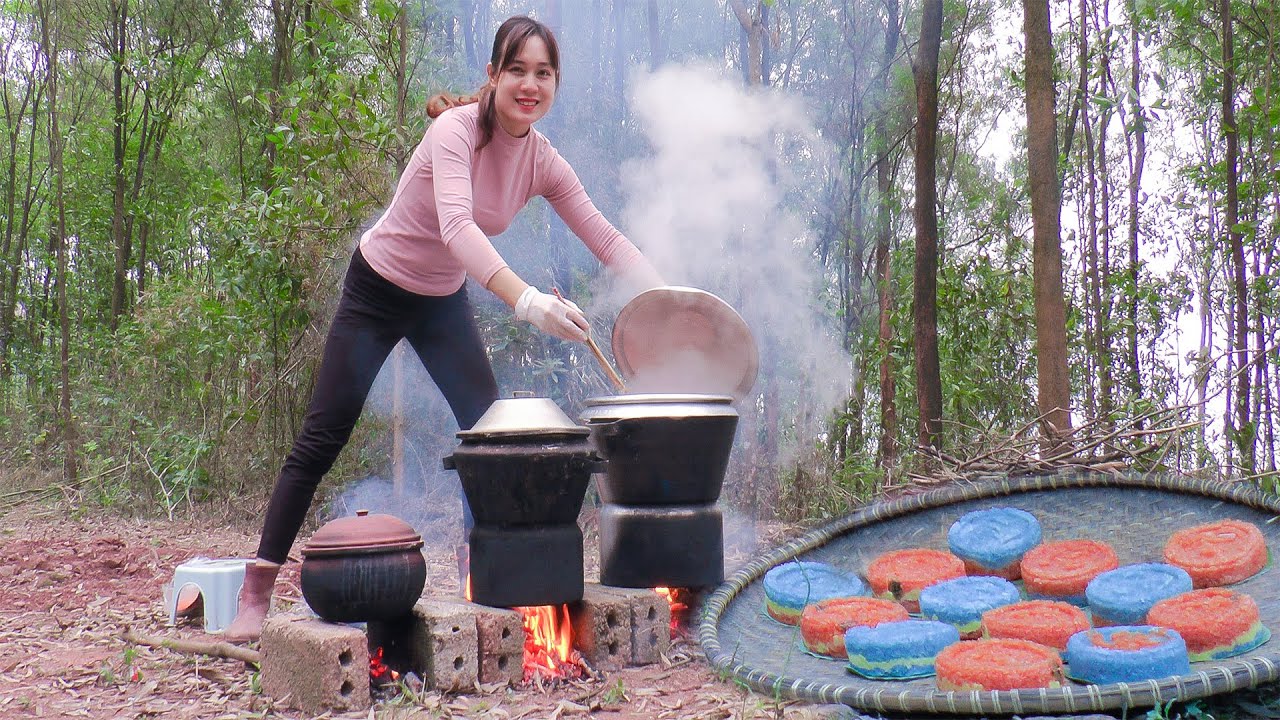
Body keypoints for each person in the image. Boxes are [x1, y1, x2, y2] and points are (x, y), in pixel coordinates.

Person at [223, 14, 662, 643]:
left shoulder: (543, 160)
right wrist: (532, 303)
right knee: (323, 436)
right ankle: (257, 589)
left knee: (488, 440)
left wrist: (667, 296)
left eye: (543, 73)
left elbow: (603, 234)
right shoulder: (455, 131)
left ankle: (477, 573)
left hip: (440, 302)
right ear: (492, 75)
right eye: (517, 70)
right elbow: (457, 228)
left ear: (555, 83)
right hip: (375, 289)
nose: (529, 84)